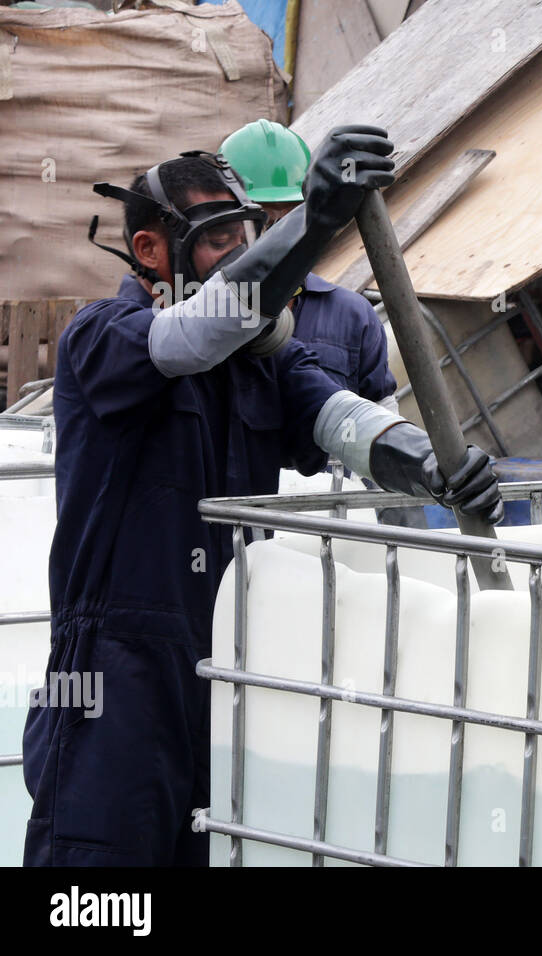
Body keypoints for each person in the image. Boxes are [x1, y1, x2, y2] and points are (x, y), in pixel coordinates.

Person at [24, 125, 503, 866]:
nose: (240, 255)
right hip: (109, 676)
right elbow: (189, 339)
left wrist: (437, 466)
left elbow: (342, 419)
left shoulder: (261, 358)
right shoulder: (104, 336)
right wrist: (313, 224)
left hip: (226, 664)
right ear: (151, 251)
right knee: (96, 878)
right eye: (219, 239)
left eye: (247, 235)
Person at [221, 119, 398, 413]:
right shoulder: (201, 315)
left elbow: (382, 416)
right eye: (262, 219)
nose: (277, 233)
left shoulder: (352, 315)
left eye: (290, 219)